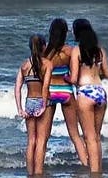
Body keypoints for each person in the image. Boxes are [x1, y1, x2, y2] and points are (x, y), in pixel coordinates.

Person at [38, 18, 89, 166]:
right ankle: (87, 165)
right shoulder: (70, 51)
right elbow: (76, 73)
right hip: (66, 91)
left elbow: (41, 74)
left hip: (50, 91)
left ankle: (38, 169)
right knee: (75, 135)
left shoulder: (45, 52)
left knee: (43, 137)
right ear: (65, 33)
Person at [70, 18, 108, 173]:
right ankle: (98, 168)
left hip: (85, 92)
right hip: (100, 92)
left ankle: (95, 174)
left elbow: (74, 78)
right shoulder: (100, 51)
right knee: (96, 137)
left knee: (89, 136)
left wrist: (66, 79)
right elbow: (107, 74)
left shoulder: (77, 51)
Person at [14, 34, 52, 175]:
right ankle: (38, 173)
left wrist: (20, 109)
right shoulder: (47, 64)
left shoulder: (24, 65)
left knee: (31, 141)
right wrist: (43, 105)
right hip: (43, 102)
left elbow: (17, 88)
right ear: (43, 47)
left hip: (29, 102)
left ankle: (30, 173)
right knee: (41, 141)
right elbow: (45, 86)